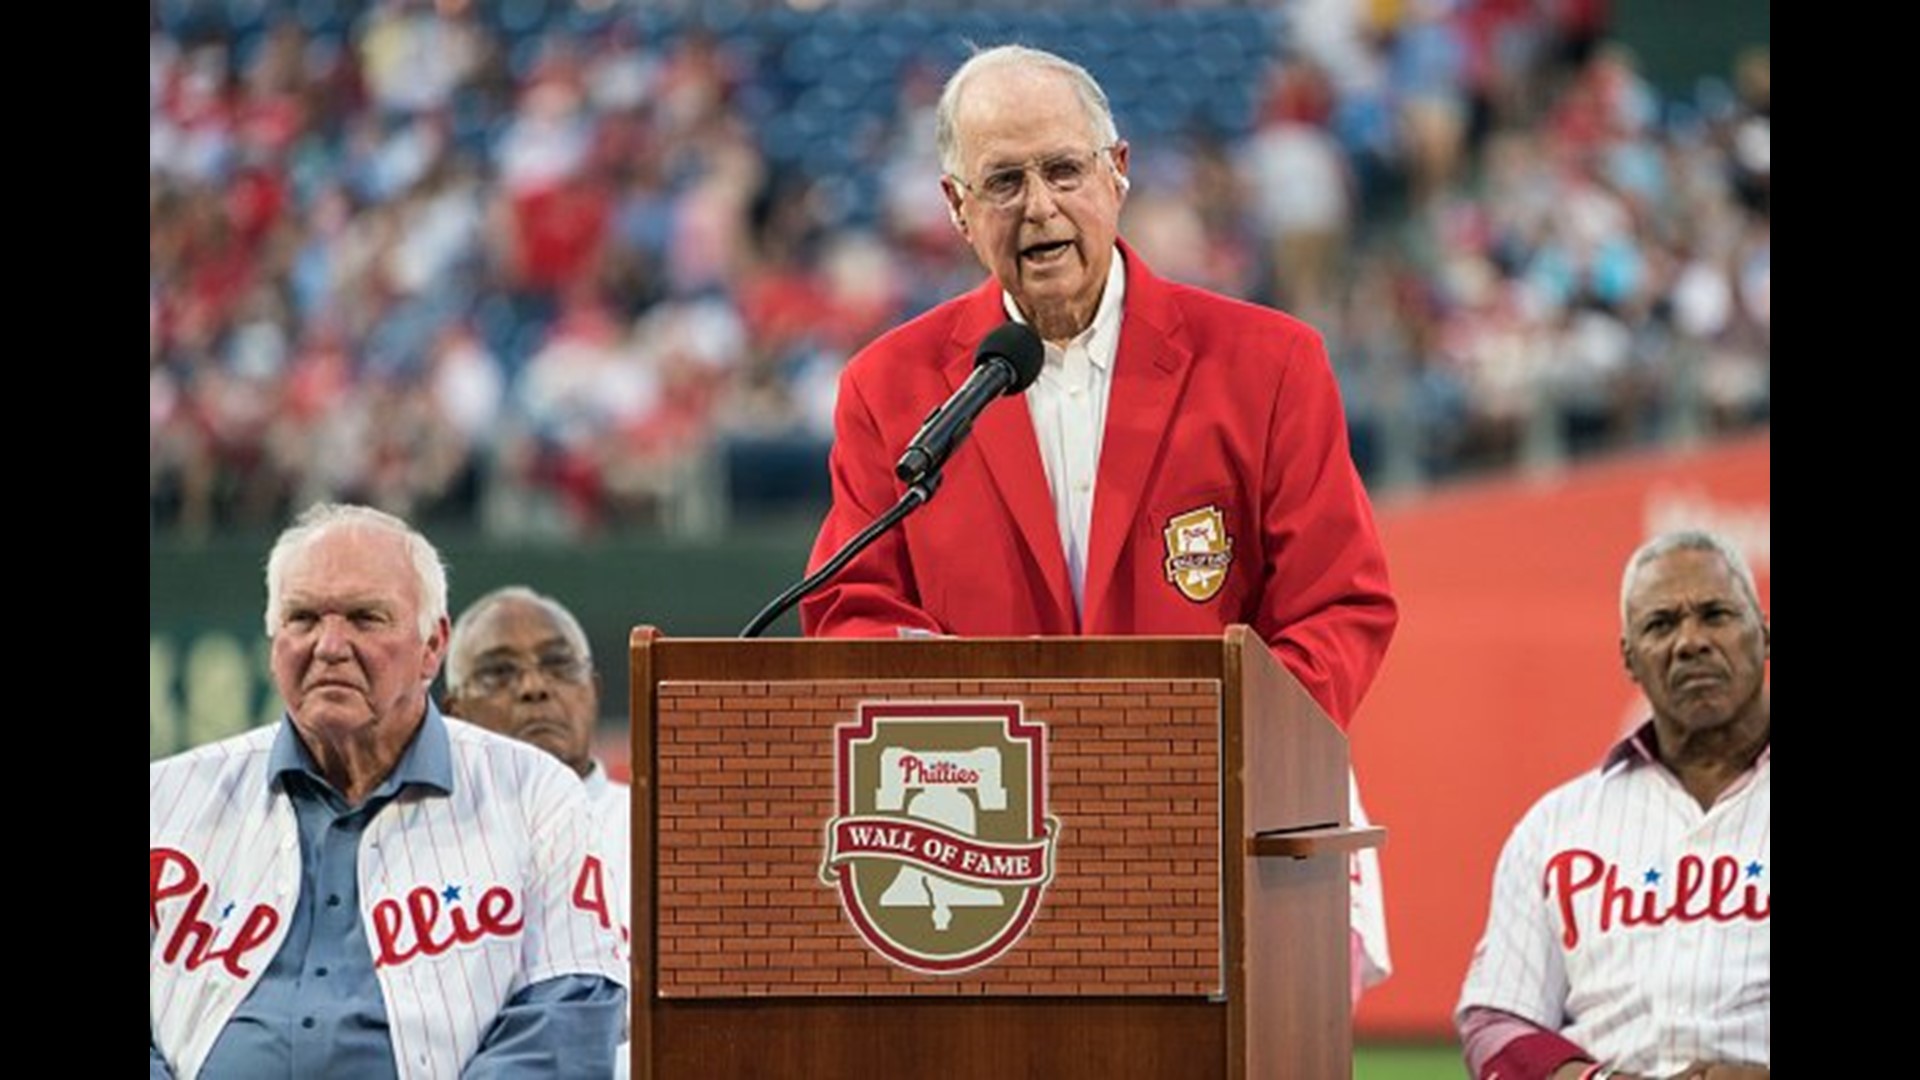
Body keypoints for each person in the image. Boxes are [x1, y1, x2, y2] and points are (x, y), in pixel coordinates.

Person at [800, 43, 1398, 1004]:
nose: (1039, 206)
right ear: (957, 210)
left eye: (1063, 170)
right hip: (983, 862)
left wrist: (1230, 753)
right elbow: (851, 611)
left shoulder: (1269, 363)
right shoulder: (890, 388)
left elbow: (1341, 606)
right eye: (1003, 181)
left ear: (1116, 173)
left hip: (1214, 835)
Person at [150, 504, 628, 1080]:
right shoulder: (167, 799)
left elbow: (565, 1023)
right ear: (274, 640)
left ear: (432, 646)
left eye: (365, 618)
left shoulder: (534, 793)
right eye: (302, 618)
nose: (329, 645)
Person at [1455, 530, 1770, 1080]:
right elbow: (1496, 1020)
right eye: (1661, 624)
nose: (1690, 641)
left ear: (1763, 634)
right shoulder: (1555, 827)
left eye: (1715, 614)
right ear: (1629, 657)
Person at [443, 585, 631, 937]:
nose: (534, 686)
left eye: (558, 664)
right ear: (455, 712)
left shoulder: (659, 833)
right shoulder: (420, 841)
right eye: (499, 672)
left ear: (594, 690)